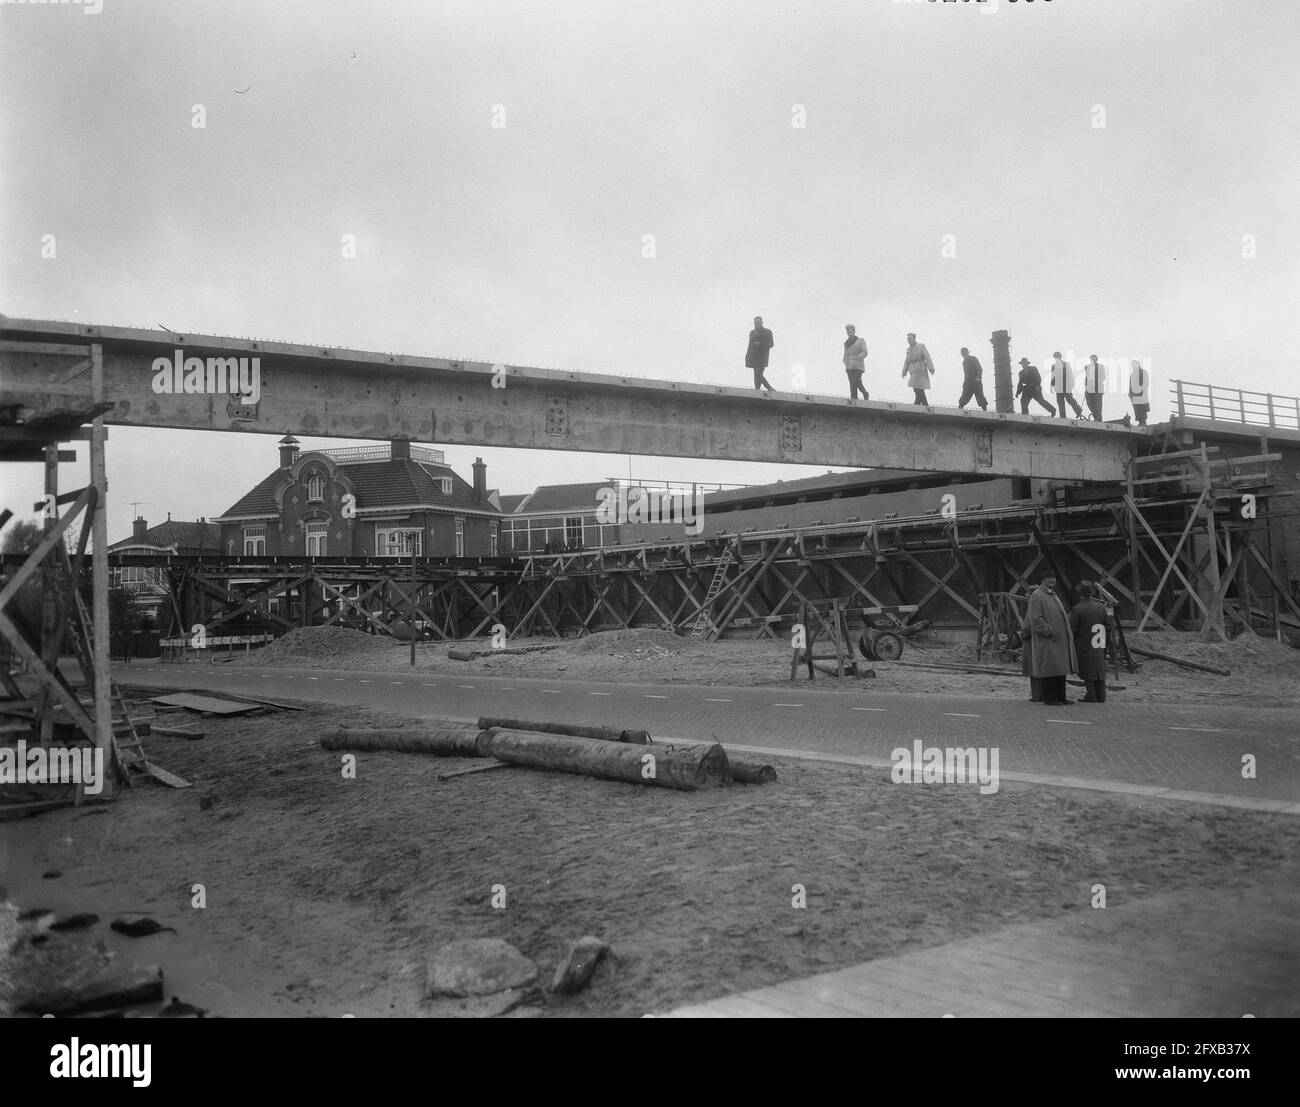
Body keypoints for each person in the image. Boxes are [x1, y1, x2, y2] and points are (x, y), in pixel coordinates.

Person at [1026, 570, 1078, 706]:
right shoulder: (1037, 596)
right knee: (1050, 669)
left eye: (1054, 578)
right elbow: (1036, 618)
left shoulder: (1052, 594)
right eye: (1049, 578)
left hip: (1058, 641)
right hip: (1048, 640)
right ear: (1042, 580)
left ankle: (1061, 697)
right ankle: (1050, 698)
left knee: (1060, 670)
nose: (1052, 580)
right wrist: (1048, 632)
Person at [1068, 579, 1109, 703]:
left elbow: (1071, 629)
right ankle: (1101, 695)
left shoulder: (1077, 609)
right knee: (1099, 669)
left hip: (1084, 644)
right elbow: (1108, 626)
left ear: (1080, 594)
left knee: (1087, 670)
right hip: (1099, 643)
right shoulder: (1101, 607)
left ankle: (1091, 695)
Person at [901, 333, 934, 406]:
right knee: (915, 387)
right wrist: (904, 372)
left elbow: (927, 357)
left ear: (914, 338)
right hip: (913, 371)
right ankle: (920, 403)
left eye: (910, 338)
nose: (909, 340)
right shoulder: (909, 349)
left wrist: (931, 368)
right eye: (908, 339)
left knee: (919, 387)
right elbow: (906, 361)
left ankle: (920, 403)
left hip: (920, 369)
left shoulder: (920, 346)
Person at [1050, 352, 1084, 418]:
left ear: (1060, 357)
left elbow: (1070, 374)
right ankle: (1063, 416)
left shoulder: (1066, 364)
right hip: (1058, 387)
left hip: (1066, 386)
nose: (1056, 359)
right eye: (1055, 357)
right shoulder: (1053, 366)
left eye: (1057, 357)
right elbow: (1053, 377)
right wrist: (1051, 386)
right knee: (1060, 402)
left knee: (1069, 399)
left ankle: (1078, 410)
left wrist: (1072, 384)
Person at [746, 316, 776, 392]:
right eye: (755, 323)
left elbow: (771, 344)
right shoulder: (752, 333)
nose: (756, 324)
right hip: (752, 356)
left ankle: (769, 388)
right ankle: (757, 389)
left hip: (762, 357)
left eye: (758, 323)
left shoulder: (767, 332)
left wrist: (760, 344)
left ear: (762, 323)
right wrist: (747, 356)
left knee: (758, 373)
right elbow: (750, 345)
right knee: (756, 374)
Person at [843, 324, 869, 400]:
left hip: (858, 365)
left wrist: (858, 358)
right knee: (852, 383)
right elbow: (845, 355)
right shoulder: (846, 343)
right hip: (849, 366)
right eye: (847, 331)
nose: (849, 332)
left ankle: (865, 393)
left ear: (854, 331)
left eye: (850, 331)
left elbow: (865, 351)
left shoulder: (860, 340)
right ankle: (854, 397)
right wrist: (845, 361)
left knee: (856, 381)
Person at [1083, 354, 1106, 421]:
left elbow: (1103, 377)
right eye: (1091, 359)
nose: (1092, 360)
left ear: (1096, 360)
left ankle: (1098, 419)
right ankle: (1097, 417)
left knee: (1098, 405)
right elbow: (1086, 378)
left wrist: (1095, 382)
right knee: (1089, 403)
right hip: (1089, 388)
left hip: (1098, 388)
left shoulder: (1100, 367)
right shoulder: (1088, 367)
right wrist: (1086, 387)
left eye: (1094, 359)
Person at [1129, 359, 1150, 425]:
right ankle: (1140, 422)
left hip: (1141, 393)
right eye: (1132, 365)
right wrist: (1130, 393)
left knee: (1142, 408)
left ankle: (1143, 422)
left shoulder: (1143, 372)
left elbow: (1146, 383)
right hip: (1134, 394)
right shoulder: (1132, 374)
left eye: (1134, 364)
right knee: (1137, 408)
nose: (1133, 366)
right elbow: (1131, 384)